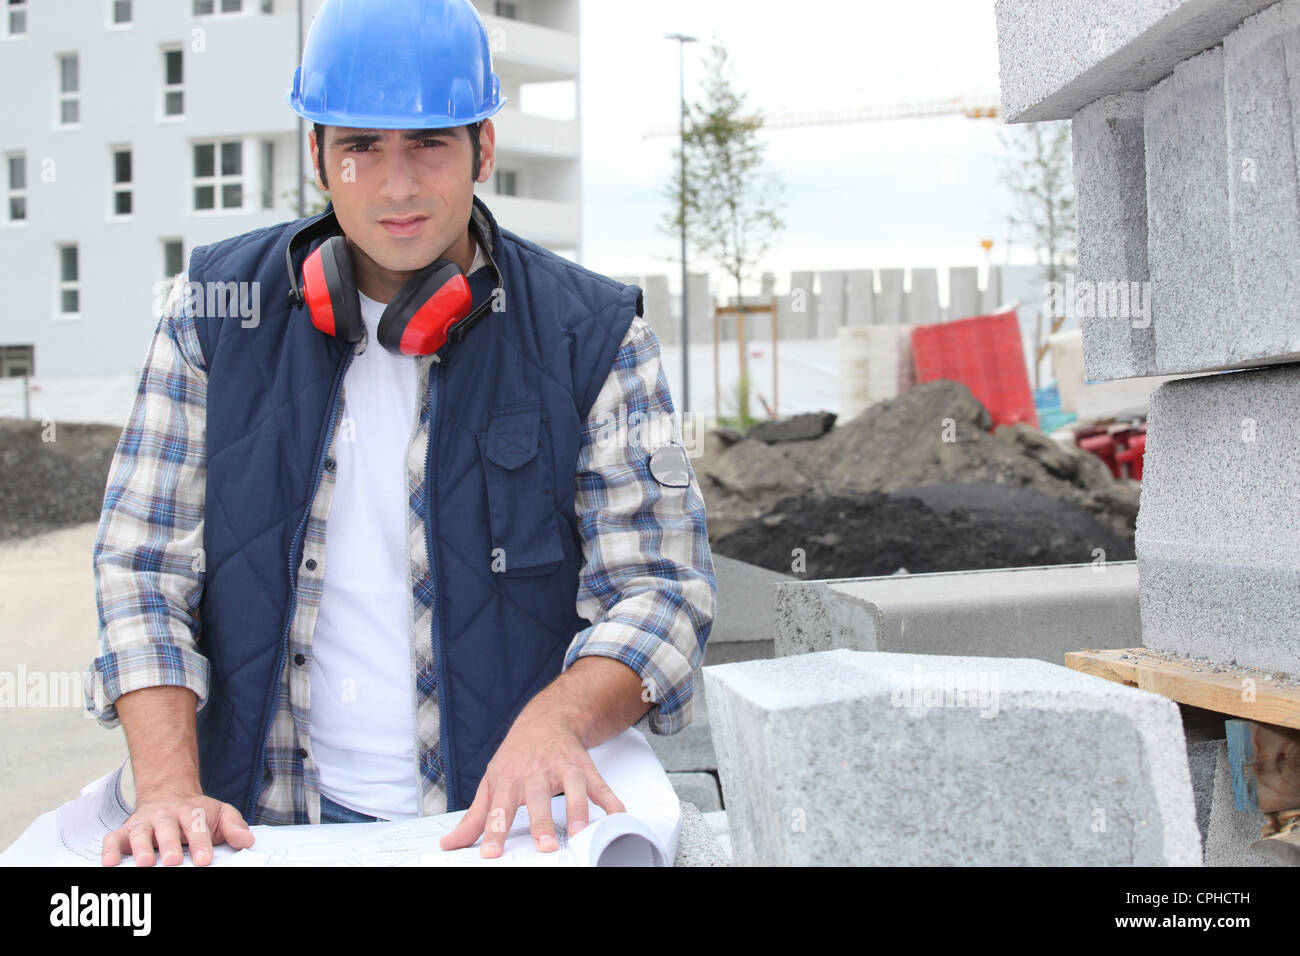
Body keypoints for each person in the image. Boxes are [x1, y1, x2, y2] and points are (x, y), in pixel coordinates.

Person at [85, 0, 715, 866]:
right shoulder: (215, 311)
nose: (397, 185)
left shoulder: (594, 333)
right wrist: (165, 787)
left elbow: (663, 587)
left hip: (503, 829)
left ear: (483, 149)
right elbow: (141, 569)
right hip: (266, 825)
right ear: (317, 157)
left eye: (427, 144)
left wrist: (557, 720)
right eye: (360, 148)